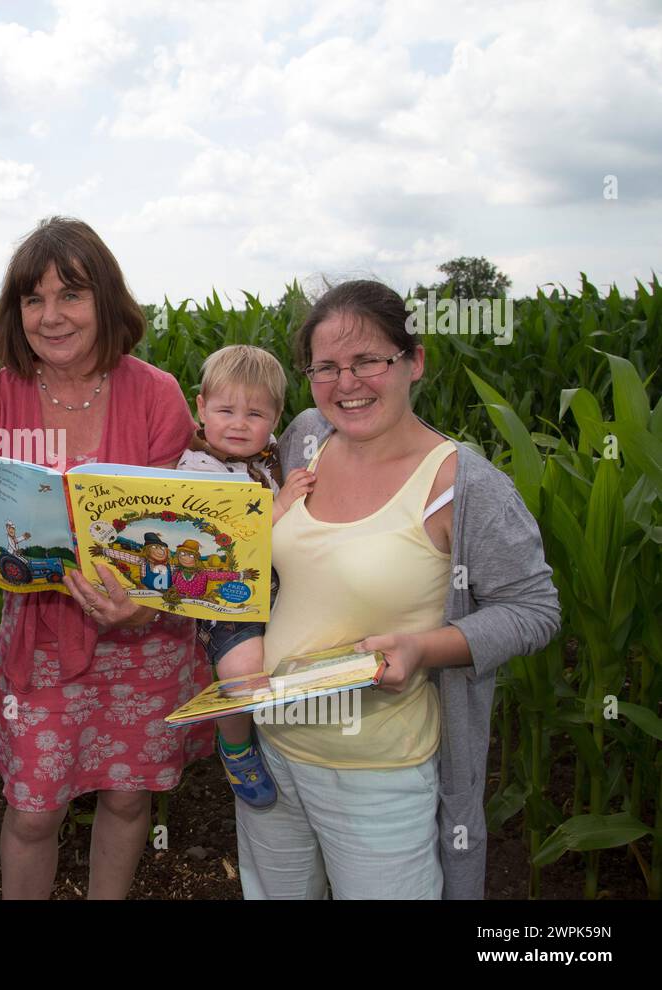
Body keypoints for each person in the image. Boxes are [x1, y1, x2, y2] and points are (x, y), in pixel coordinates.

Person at [0, 216, 210, 900]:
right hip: (40, 643)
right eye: (33, 299)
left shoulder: (156, 393)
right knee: (35, 809)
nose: (51, 315)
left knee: (127, 799)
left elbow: (177, 536)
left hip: (145, 638)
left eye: (70, 295)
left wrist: (141, 602)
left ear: (105, 299)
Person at [233, 279, 560, 899]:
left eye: (367, 362)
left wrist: (422, 649)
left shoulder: (462, 485)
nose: (345, 384)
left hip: (377, 771)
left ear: (414, 362)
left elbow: (533, 610)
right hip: (272, 752)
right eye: (325, 367)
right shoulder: (307, 437)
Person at [174, 344, 314, 807]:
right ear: (201, 409)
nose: (238, 423)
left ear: (276, 418)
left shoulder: (272, 456)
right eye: (225, 410)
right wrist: (281, 506)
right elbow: (230, 539)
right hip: (227, 597)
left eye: (255, 413)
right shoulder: (198, 470)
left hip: (279, 589)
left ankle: (288, 745)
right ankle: (235, 748)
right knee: (241, 672)